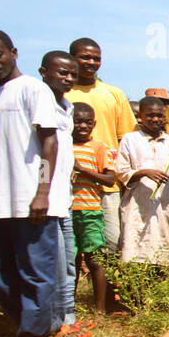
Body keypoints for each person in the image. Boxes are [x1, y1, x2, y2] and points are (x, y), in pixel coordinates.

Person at [0, 31, 67, 337]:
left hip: (32, 199)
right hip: (0, 201)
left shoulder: (32, 89)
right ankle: (37, 322)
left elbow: (49, 143)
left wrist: (42, 191)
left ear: (14, 52)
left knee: (37, 270)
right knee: (1, 272)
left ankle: (33, 336)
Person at [64, 37, 135, 252]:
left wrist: (123, 176)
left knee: (110, 244)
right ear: (72, 58)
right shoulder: (62, 93)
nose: (91, 62)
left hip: (107, 183)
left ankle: (107, 287)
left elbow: (126, 138)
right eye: (85, 57)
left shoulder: (114, 94)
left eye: (96, 58)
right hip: (70, 183)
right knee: (71, 247)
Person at [40, 52, 82, 337]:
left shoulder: (66, 107)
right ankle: (50, 322)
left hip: (63, 199)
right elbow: (45, 155)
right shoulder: (40, 102)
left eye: (72, 75)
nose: (67, 79)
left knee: (67, 262)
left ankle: (67, 318)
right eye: (61, 73)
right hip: (45, 199)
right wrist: (42, 191)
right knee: (50, 265)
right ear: (44, 72)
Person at [115, 96, 169, 270]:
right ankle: (138, 295)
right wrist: (143, 172)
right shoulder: (130, 139)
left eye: (159, 115)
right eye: (150, 115)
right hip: (137, 203)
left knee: (164, 253)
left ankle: (160, 294)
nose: (155, 119)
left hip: (165, 203)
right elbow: (121, 172)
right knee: (136, 249)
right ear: (140, 116)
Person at [70, 102, 115, 316]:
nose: (82, 126)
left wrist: (81, 169)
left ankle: (99, 309)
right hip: (66, 211)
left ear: (94, 123)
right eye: (77, 121)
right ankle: (67, 306)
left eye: (87, 122)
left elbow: (109, 179)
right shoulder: (61, 145)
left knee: (95, 259)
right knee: (70, 260)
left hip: (90, 210)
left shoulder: (98, 147)